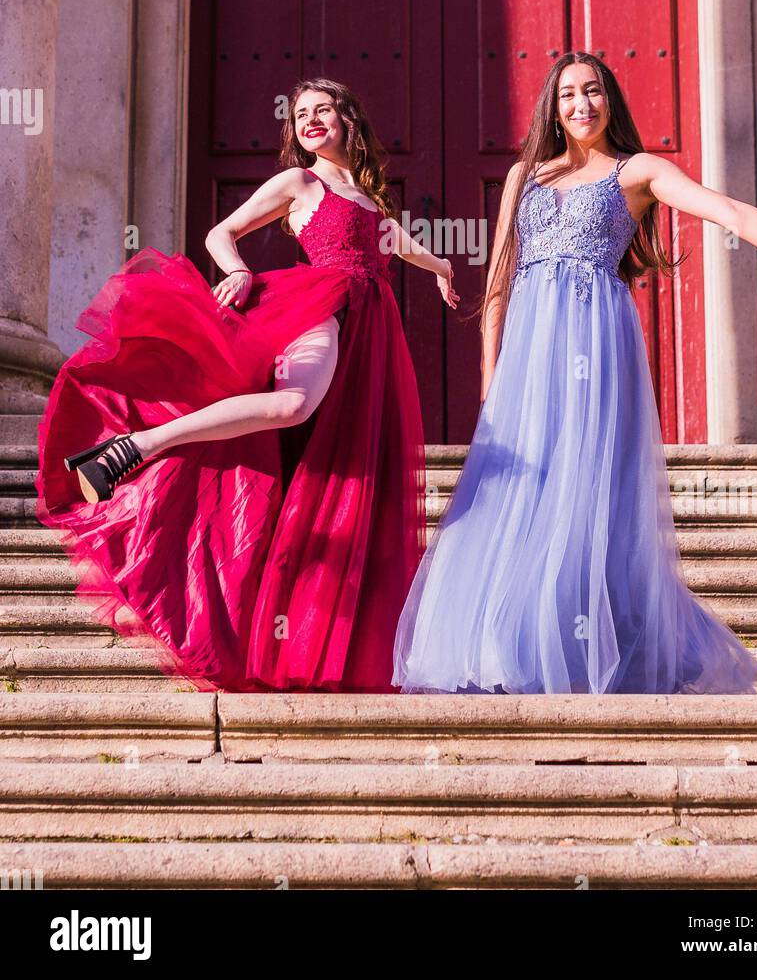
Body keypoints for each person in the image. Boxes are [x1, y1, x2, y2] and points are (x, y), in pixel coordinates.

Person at [393, 52, 757, 695]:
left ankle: (601, 645)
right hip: (530, 359)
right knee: (521, 494)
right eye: (567, 96)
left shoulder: (636, 171)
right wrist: (492, 386)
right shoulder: (523, 176)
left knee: (585, 487)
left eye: (592, 91)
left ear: (610, 98)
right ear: (552, 109)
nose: (580, 105)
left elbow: (727, 213)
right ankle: (517, 644)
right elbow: (498, 287)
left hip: (594, 345)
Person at [36, 79, 457, 693]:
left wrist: (442, 267)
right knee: (291, 405)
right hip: (318, 305)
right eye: (302, 114)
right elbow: (220, 234)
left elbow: (398, 244)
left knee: (336, 463)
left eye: (324, 111)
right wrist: (235, 272)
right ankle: (139, 446)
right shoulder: (300, 184)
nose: (312, 121)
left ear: (349, 119)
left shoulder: (369, 197)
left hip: (368, 326)